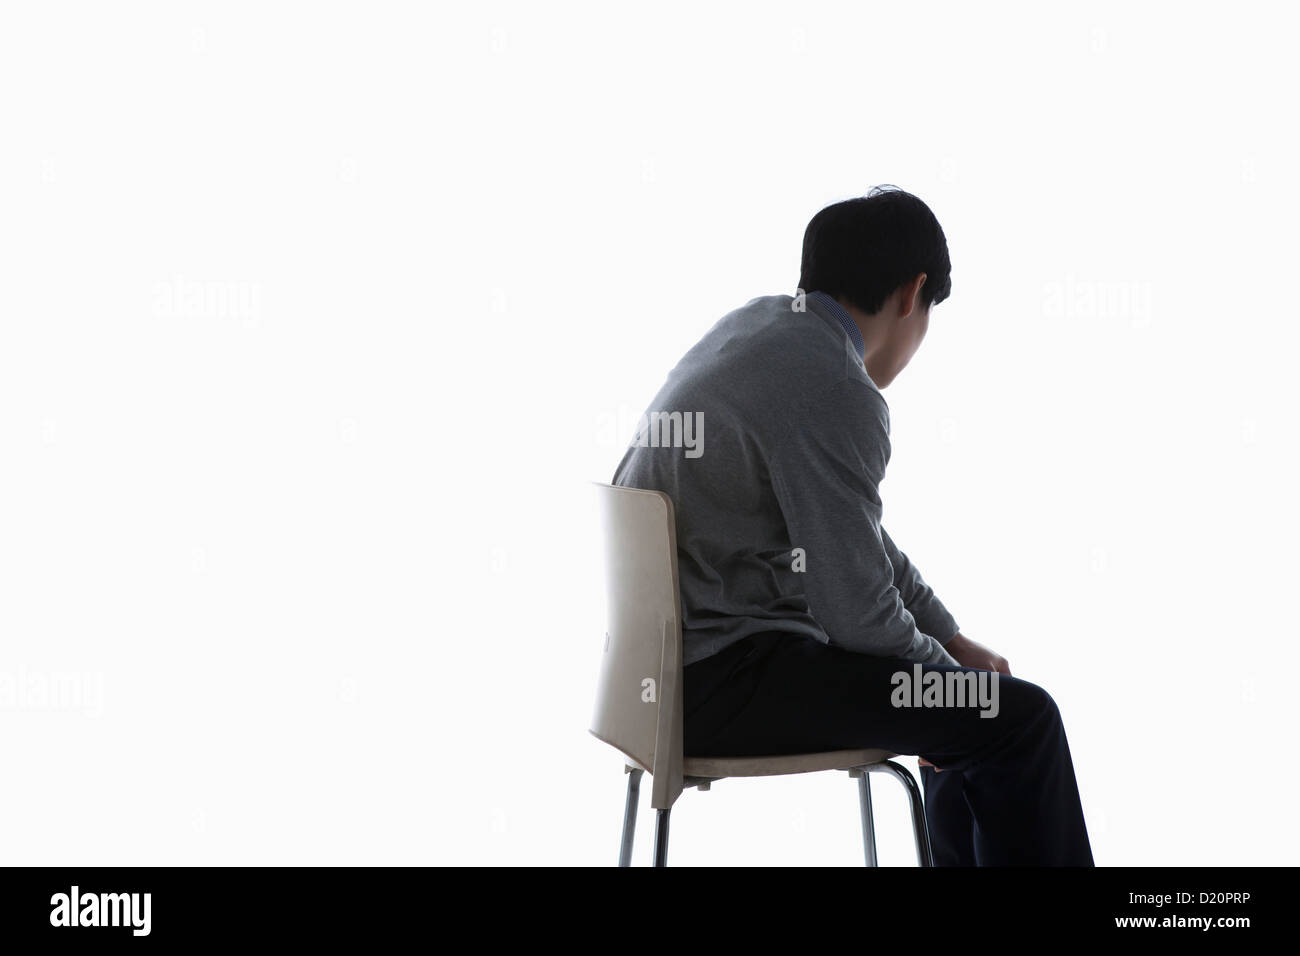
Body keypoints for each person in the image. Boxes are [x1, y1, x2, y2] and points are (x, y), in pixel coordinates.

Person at [610, 185, 1093, 865]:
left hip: (661, 679)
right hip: (723, 684)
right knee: (1020, 720)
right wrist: (948, 681)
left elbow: (856, 541)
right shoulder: (829, 382)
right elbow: (857, 614)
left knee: (975, 710)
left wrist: (948, 644)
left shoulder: (759, 331)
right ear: (913, 292)